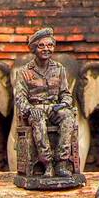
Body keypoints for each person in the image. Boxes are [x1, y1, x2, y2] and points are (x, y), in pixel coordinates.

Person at [12, 27, 78, 177]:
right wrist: (29, 109)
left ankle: (61, 162)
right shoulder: (24, 72)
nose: (46, 49)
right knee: (37, 118)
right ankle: (46, 163)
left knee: (68, 116)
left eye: (50, 46)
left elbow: (66, 94)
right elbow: (20, 98)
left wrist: (64, 104)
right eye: (41, 46)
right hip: (36, 109)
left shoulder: (59, 69)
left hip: (54, 108)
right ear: (34, 48)